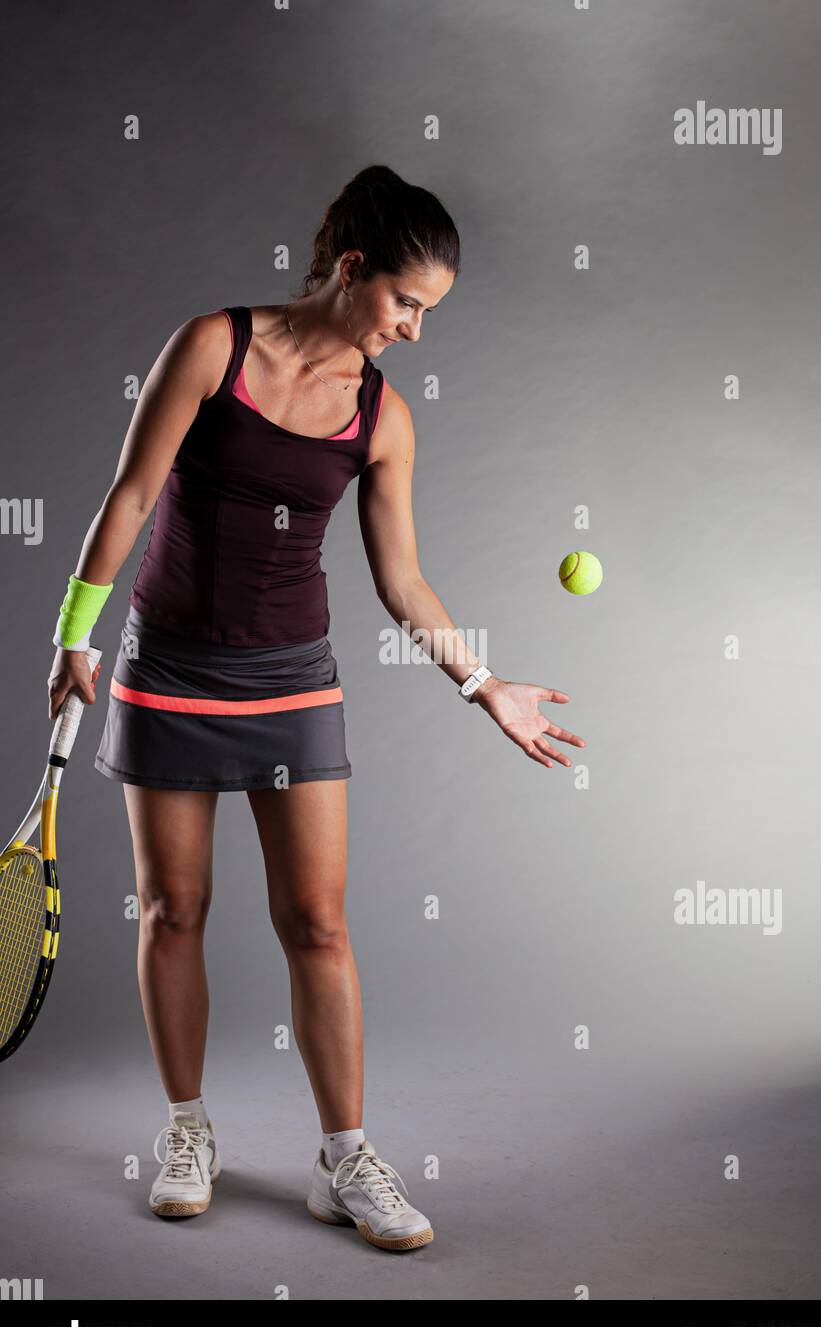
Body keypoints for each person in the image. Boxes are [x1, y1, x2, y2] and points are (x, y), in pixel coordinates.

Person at [47, 164, 586, 1253]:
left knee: (319, 922)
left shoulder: (383, 419)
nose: (414, 333)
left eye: (425, 314)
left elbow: (403, 584)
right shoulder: (213, 345)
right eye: (406, 304)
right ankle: (187, 1131)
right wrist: (75, 630)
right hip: (168, 671)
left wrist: (486, 687)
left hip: (291, 681)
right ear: (351, 270)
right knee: (171, 911)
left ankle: (343, 1158)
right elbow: (133, 494)